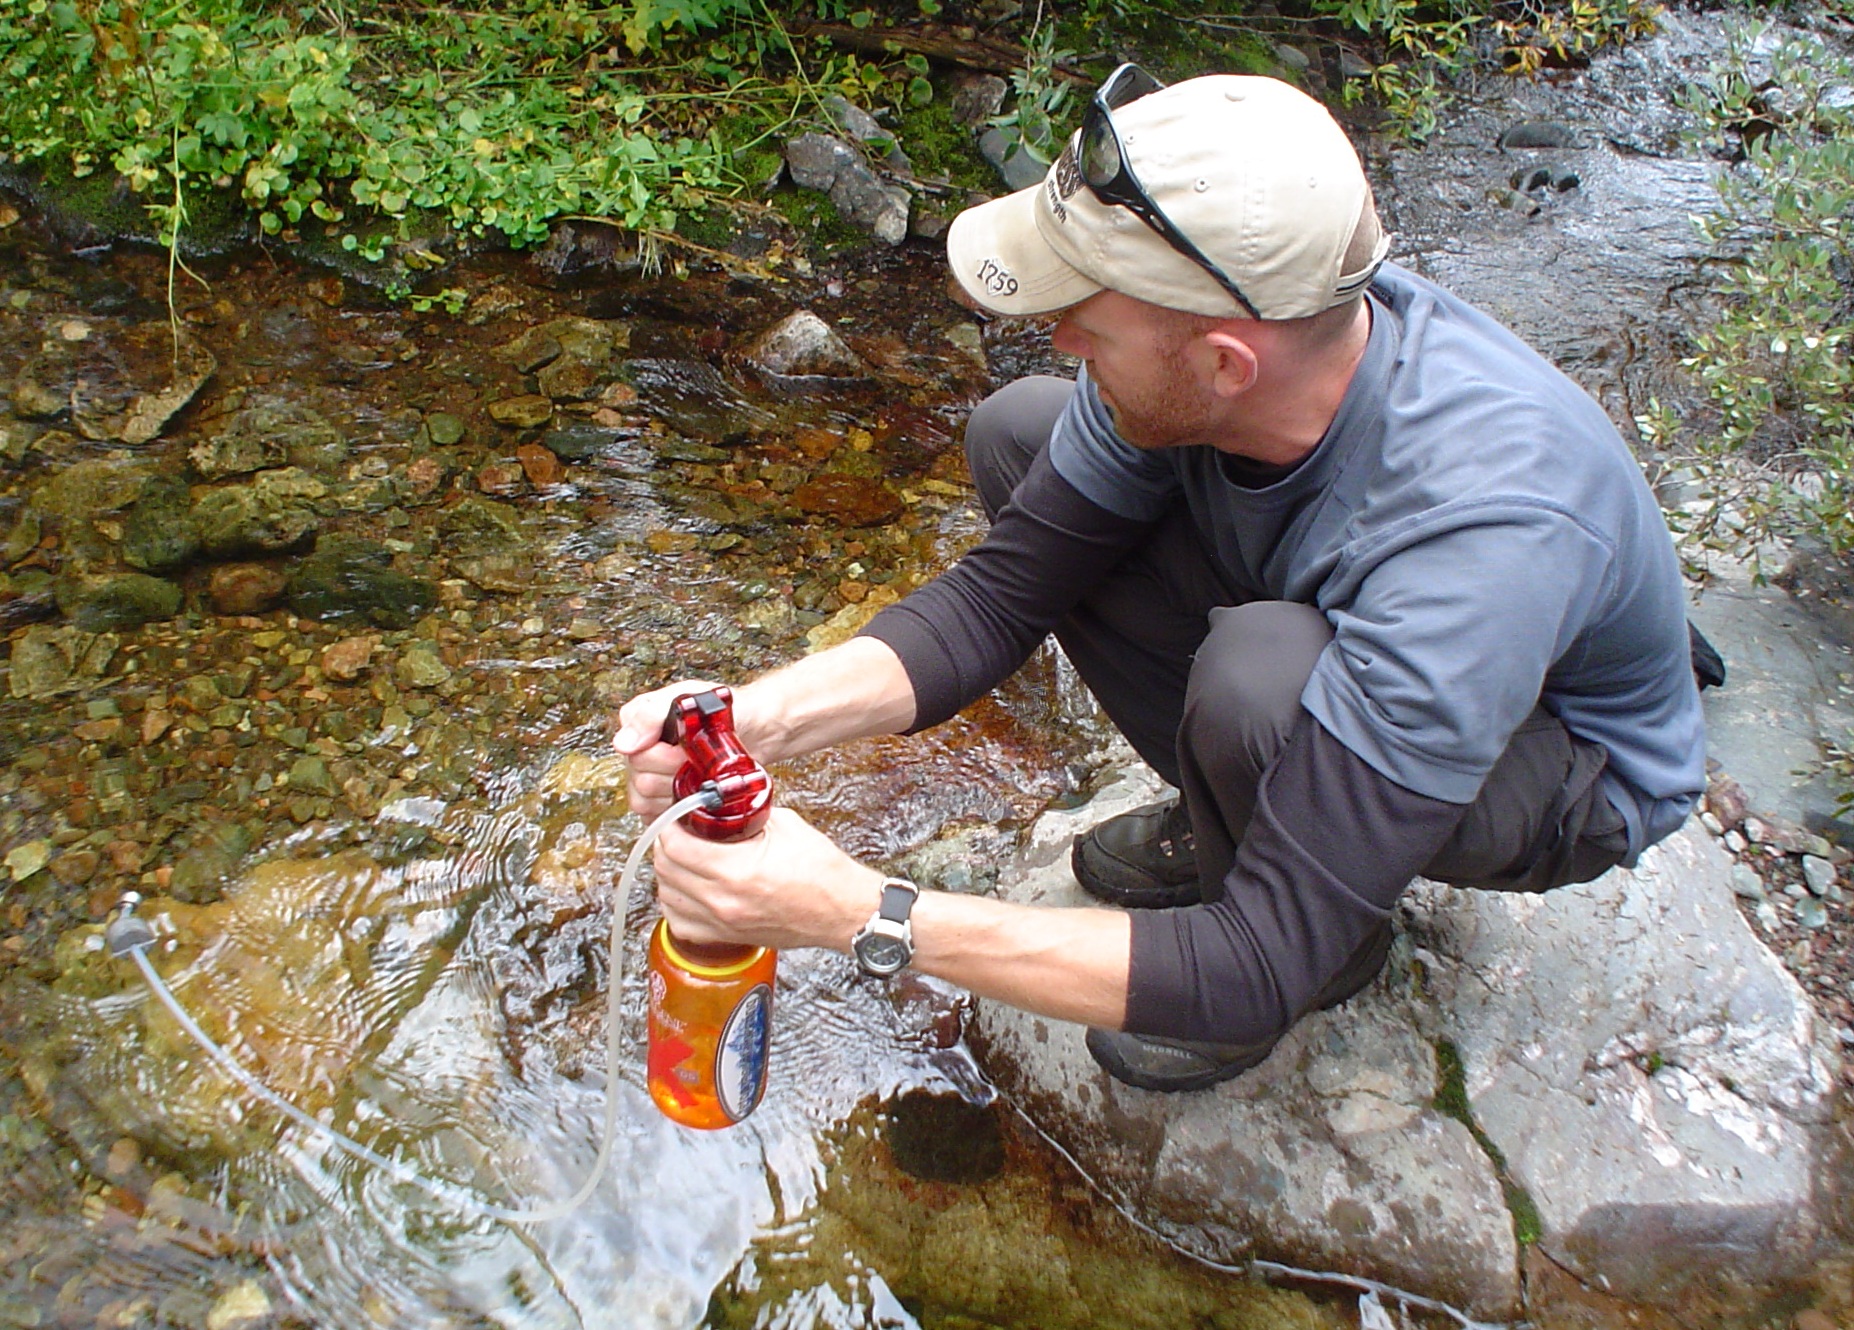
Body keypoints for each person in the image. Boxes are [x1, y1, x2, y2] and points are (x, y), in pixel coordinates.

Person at [615, 69, 1706, 1093]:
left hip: (1569, 765)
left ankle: (1336, 924)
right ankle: (1236, 815)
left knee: (1259, 680)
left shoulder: (1485, 529)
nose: (1057, 334)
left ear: (1226, 363)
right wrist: (754, 718)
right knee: (1020, 432)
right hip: (1345, 625)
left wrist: (861, 910)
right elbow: (1001, 600)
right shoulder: (1244, 342)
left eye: (1089, 325)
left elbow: (1257, 957)